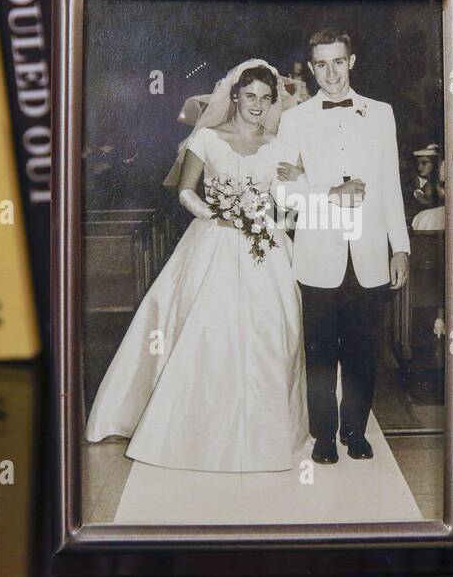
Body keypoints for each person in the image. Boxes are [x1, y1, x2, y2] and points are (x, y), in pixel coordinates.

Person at [85, 60, 310, 472]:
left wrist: (280, 216)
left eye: (265, 97)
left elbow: (290, 204)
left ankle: (266, 433)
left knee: (270, 330)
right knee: (208, 328)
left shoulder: (280, 144)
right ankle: (195, 429)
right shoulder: (206, 138)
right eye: (250, 96)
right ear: (235, 97)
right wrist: (216, 214)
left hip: (265, 245)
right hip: (214, 239)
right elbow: (186, 191)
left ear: (273, 101)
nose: (257, 105)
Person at [274, 29, 411, 464]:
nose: (331, 73)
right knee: (319, 352)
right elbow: (281, 192)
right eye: (321, 64)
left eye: (338, 62)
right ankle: (323, 435)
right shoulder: (294, 120)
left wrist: (400, 247)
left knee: (362, 349)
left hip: (369, 254)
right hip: (317, 255)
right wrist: (330, 191)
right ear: (311, 68)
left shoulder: (382, 113)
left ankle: (355, 430)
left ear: (351, 62)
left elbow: (390, 185)